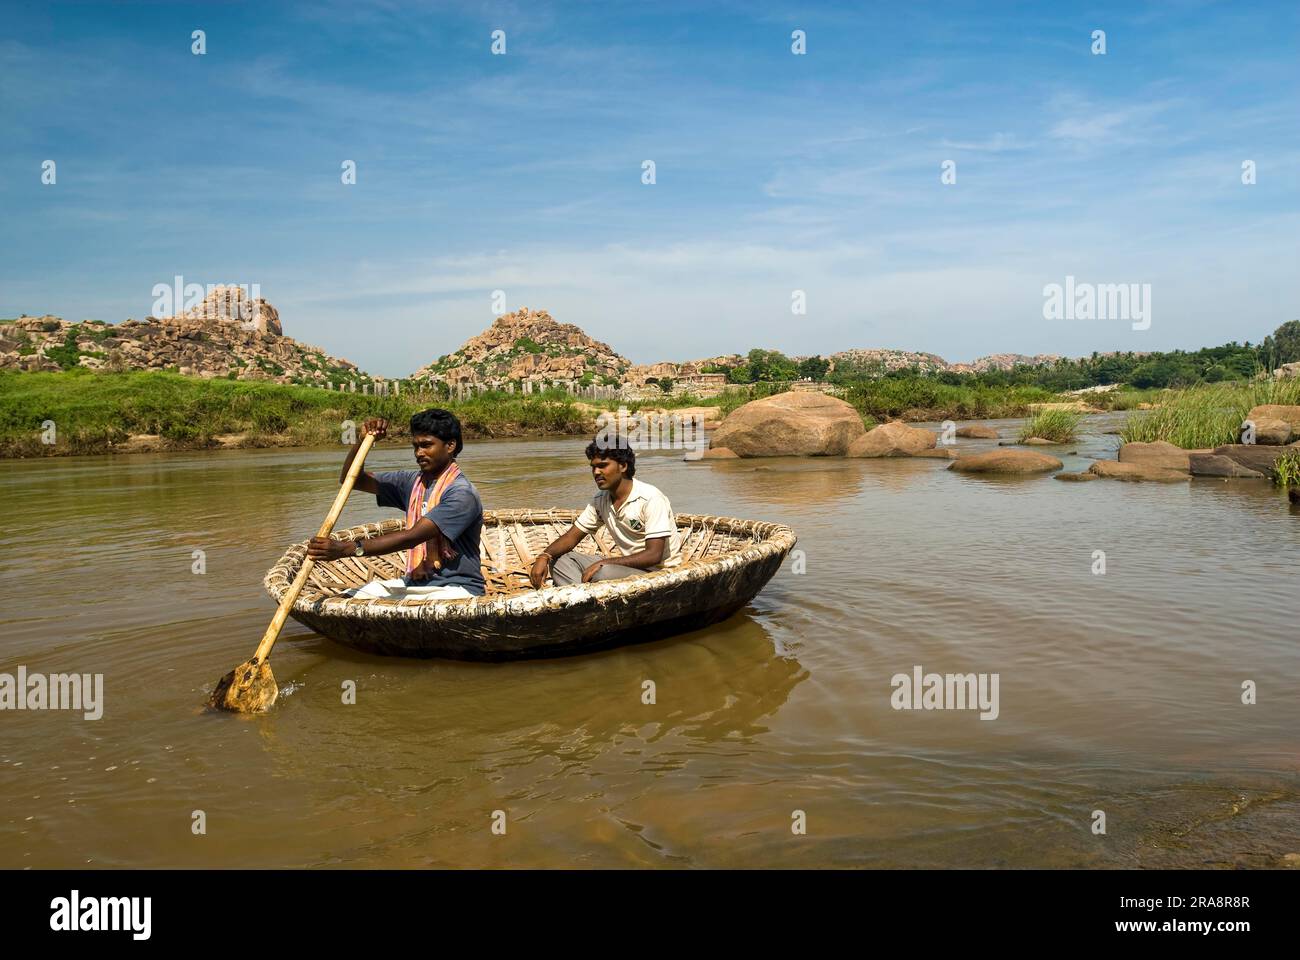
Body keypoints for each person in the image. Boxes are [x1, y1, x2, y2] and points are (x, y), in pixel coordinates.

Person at [306, 410, 485, 600]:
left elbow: (412, 537)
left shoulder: (461, 493)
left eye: (426, 445)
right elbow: (353, 479)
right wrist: (363, 441)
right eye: (415, 446)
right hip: (417, 583)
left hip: (457, 588)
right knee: (348, 597)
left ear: (450, 446)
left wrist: (347, 548)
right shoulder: (412, 482)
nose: (419, 453)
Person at [529, 437, 681, 589]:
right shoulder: (601, 500)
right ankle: (583, 599)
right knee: (559, 560)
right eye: (593, 467)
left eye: (603, 466)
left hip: (660, 573)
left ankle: (584, 598)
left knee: (603, 573)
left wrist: (605, 562)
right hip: (627, 569)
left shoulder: (650, 498)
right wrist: (544, 556)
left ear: (622, 466)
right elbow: (571, 537)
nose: (596, 472)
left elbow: (654, 555)